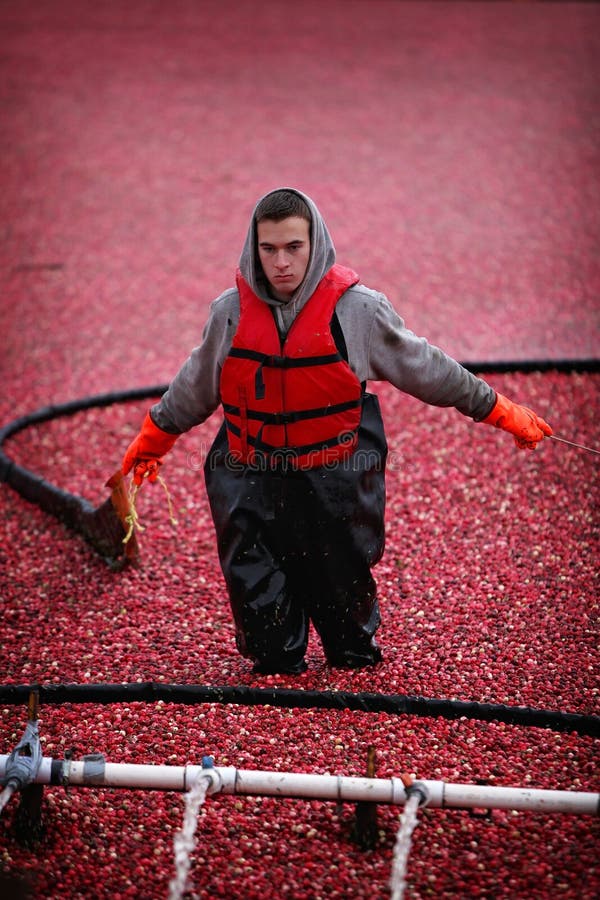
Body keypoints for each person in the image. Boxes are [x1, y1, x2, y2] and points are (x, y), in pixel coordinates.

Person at [122, 188, 552, 674]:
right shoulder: (229, 313)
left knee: (350, 646)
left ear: (316, 243)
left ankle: (348, 637)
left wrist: (498, 409)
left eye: (293, 247)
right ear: (253, 249)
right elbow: (196, 383)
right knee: (272, 653)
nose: (280, 262)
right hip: (249, 478)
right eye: (268, 250)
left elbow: (429, 368)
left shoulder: (359, 312)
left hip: (334, 478)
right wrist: (155, 437)